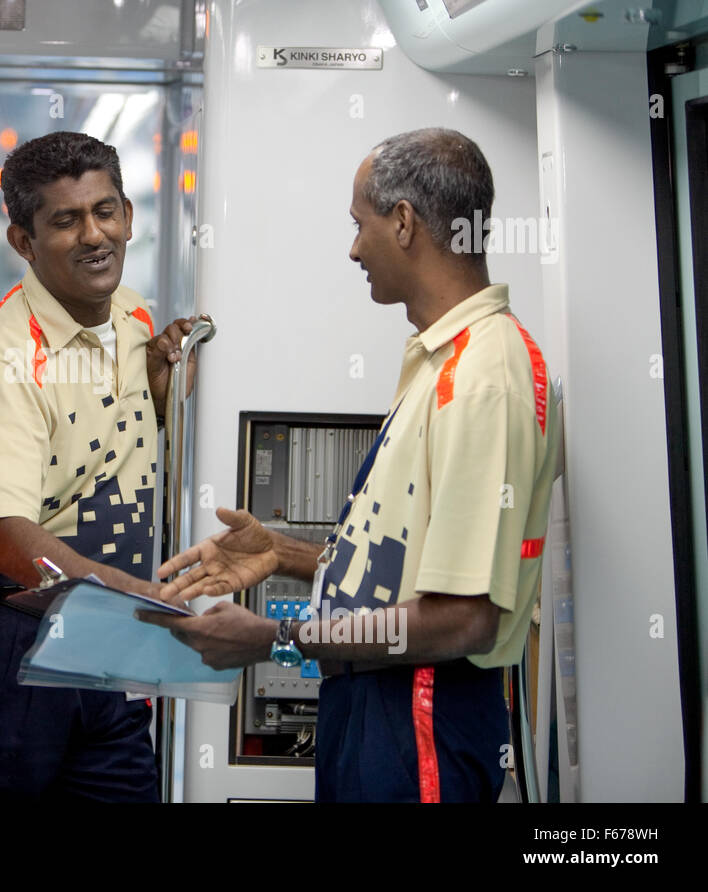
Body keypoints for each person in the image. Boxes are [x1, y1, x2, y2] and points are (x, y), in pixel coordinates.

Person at [142, 128, 561, 803]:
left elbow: (463, 619)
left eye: (359, 225)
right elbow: (409, 561)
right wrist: (280, 552)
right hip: (380, 704)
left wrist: (274, 638)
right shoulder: (442, 361)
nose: (353, 248)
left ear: (402, 223)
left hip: (420, 711)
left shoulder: (482, 378)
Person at [0, 131, 196, 801]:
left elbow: (120, 445)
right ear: (23, 242)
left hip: (110, 638)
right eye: (66, 220)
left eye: (106, 210)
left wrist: (167, 389)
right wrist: (137, 594)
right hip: (30, 645)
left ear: (129, 215)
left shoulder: (135, 318)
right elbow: (7, 538)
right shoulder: (5, 360)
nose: (95, 234)